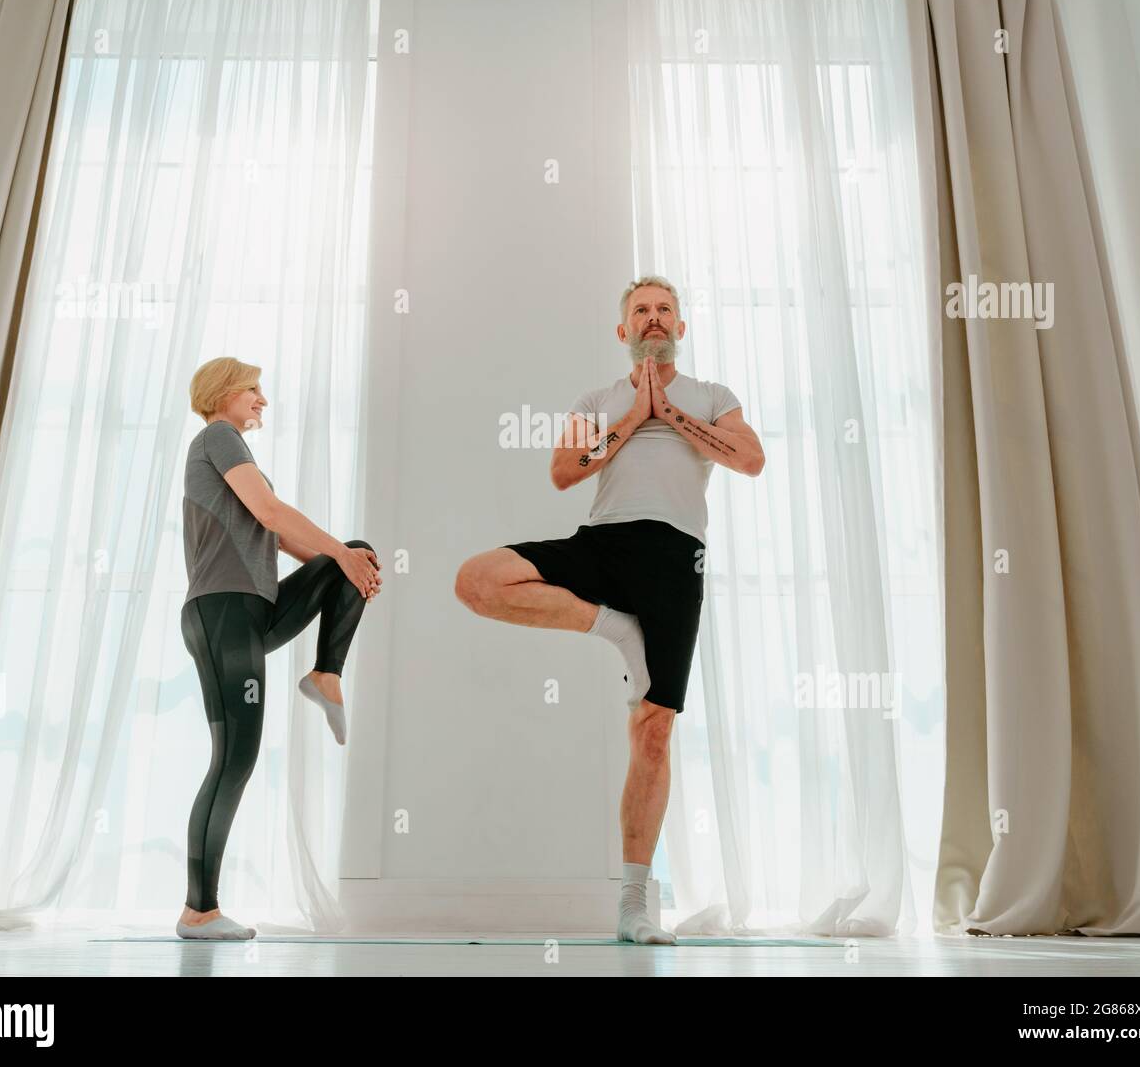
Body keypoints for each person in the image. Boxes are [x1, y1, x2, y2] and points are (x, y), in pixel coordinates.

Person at [454, 275, 765, 945]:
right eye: (640, 312)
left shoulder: (713, 397)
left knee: (653, 730)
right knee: (478, 579)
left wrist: (673, 416)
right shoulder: (597, 400)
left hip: (678, 559)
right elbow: (564, 471)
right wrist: (632, 418)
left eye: (664, 310)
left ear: (679, 327)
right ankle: (614, 627)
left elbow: (751, 459)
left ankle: (634, 903)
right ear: (623, 332)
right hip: (604, 541)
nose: (653, 319)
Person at [177, 356, 381, 940]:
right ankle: (199, 911)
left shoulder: (238, 456)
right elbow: (270, 511)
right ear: (224, 392)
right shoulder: (218, 437)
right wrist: (339, 558)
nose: (262, 400)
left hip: (252, 610)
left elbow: (282, 537)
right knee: (232, 762)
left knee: (355, 551)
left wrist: (348, 573)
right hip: (223, 613)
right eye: (253, 390)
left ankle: (326, 676)